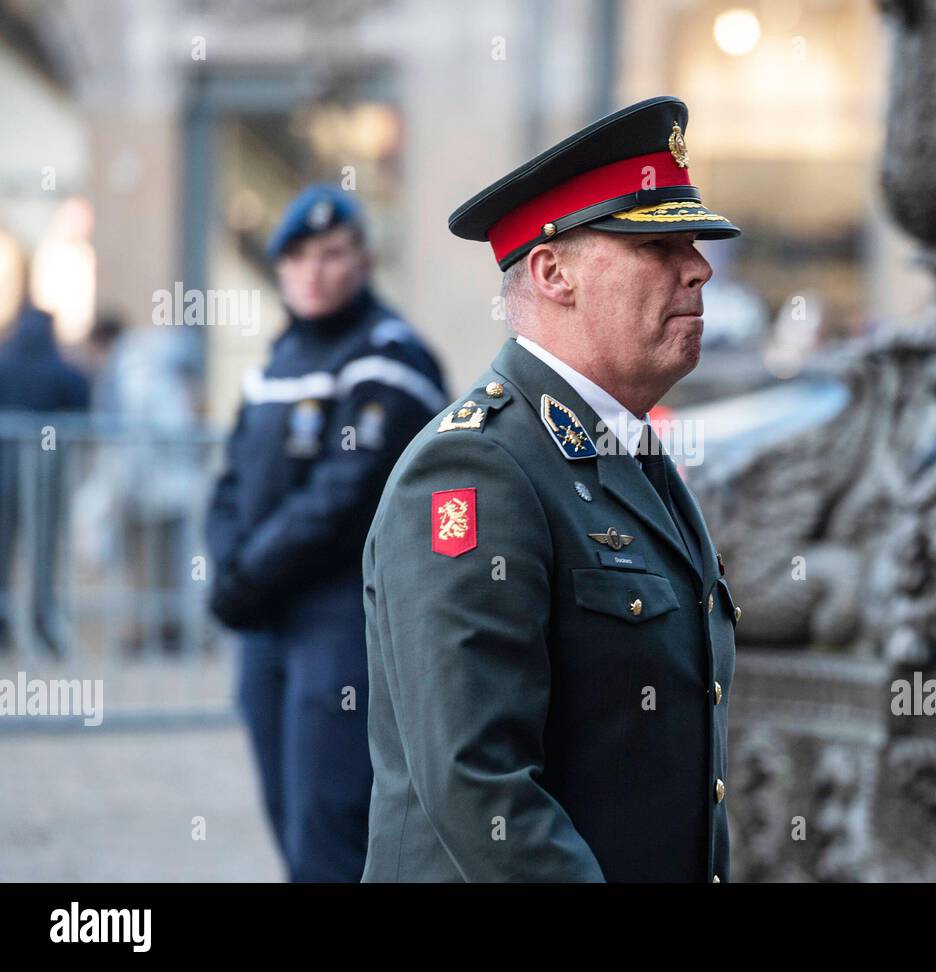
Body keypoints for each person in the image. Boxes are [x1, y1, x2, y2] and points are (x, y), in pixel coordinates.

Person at [362, 96, 743, 882]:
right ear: (553, 271)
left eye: (694, 242)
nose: (698, 266)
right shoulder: (476, 471)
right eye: (658, 244)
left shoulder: (626, 449)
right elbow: (483, 788)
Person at [204, 184, 448, 882]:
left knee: (330, 825)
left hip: (341, 622)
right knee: (287, 816)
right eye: (298, 257)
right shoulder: (277, 363)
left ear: (364, 261)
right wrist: (226, 568)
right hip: (265, 619)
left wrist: (244, 577)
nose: (314, 271)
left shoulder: (391, 357)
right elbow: (229, 483)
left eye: (332, 254)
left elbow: (342, 497)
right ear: (280, 268)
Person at [0, 301, 90, 656]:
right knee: (43, 549)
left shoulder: (6, 365)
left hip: (8, 469)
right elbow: (81, 400)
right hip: (47, 470)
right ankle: (41, 620)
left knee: (7, 547)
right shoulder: (60, 370)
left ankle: (9, 620)